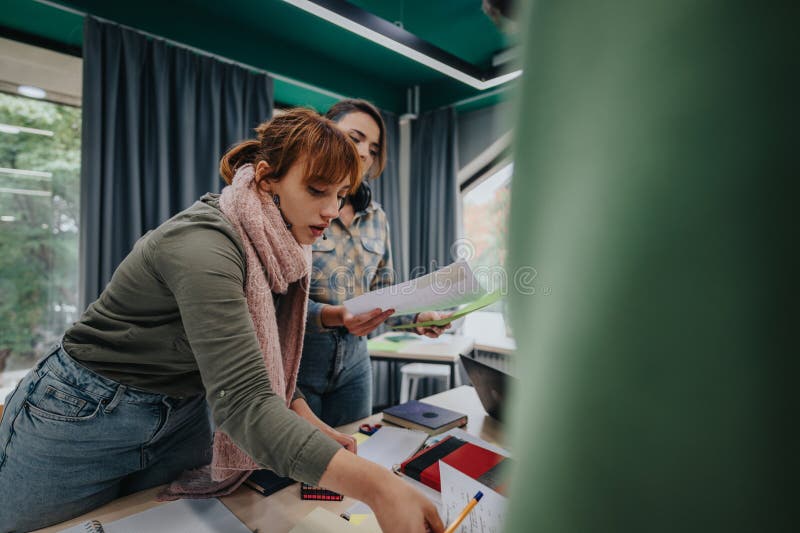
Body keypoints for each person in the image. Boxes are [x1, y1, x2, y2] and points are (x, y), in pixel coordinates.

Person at [0, 108, 442, 533]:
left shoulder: (279, 243)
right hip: (84, 413)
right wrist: (379, 487)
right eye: (316, 190)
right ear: (267, 178)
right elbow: (246, 401)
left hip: (180, 412)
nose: (331, 209)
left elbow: (260, 355)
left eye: (340, 195)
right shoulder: (204, 244)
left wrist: (309, 420)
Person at [298, 99, 450, 427]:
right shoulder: (297, 205)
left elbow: (383, 292)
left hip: (355, 365)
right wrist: (336, 315)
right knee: (297, 459)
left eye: (374, 148)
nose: (365, 153)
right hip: (299, 362)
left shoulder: (377, 217)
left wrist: (418, 317)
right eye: (355, 138)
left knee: (355, 449)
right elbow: (275, 301)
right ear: (324, 133)